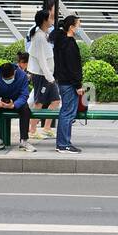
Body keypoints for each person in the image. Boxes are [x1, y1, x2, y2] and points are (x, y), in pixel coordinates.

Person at [0, 60, 34, 153]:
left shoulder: (22, 76)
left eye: (9, 78)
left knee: (26, 110)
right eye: (4, 79)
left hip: (16, 101)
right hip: (0, 101)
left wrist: (14, 105)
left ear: (14, 72)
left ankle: (24, 140)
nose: (7, 80)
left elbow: (24, 95)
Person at [26, 8, 60, 140]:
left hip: (47, 75)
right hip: (42, 76)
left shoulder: (44, 34)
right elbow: (41, 60)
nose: (52, 20)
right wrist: (50, 77)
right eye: (50, 18)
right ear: (44, 21)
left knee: (56, 100)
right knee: (39, 102)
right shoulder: (39, 37)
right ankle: (32, 130)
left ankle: (46, 128)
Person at [51, 14, 83, 153]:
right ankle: (64, 144)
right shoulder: (69, 43)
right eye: (78, 25)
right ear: (71, 27)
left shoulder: (60, 41)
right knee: (68, 113)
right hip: (69, 83)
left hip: (63, 81)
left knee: (66, 112)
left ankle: (63, 143)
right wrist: (78, 85)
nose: (79, 27)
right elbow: (73, 67)